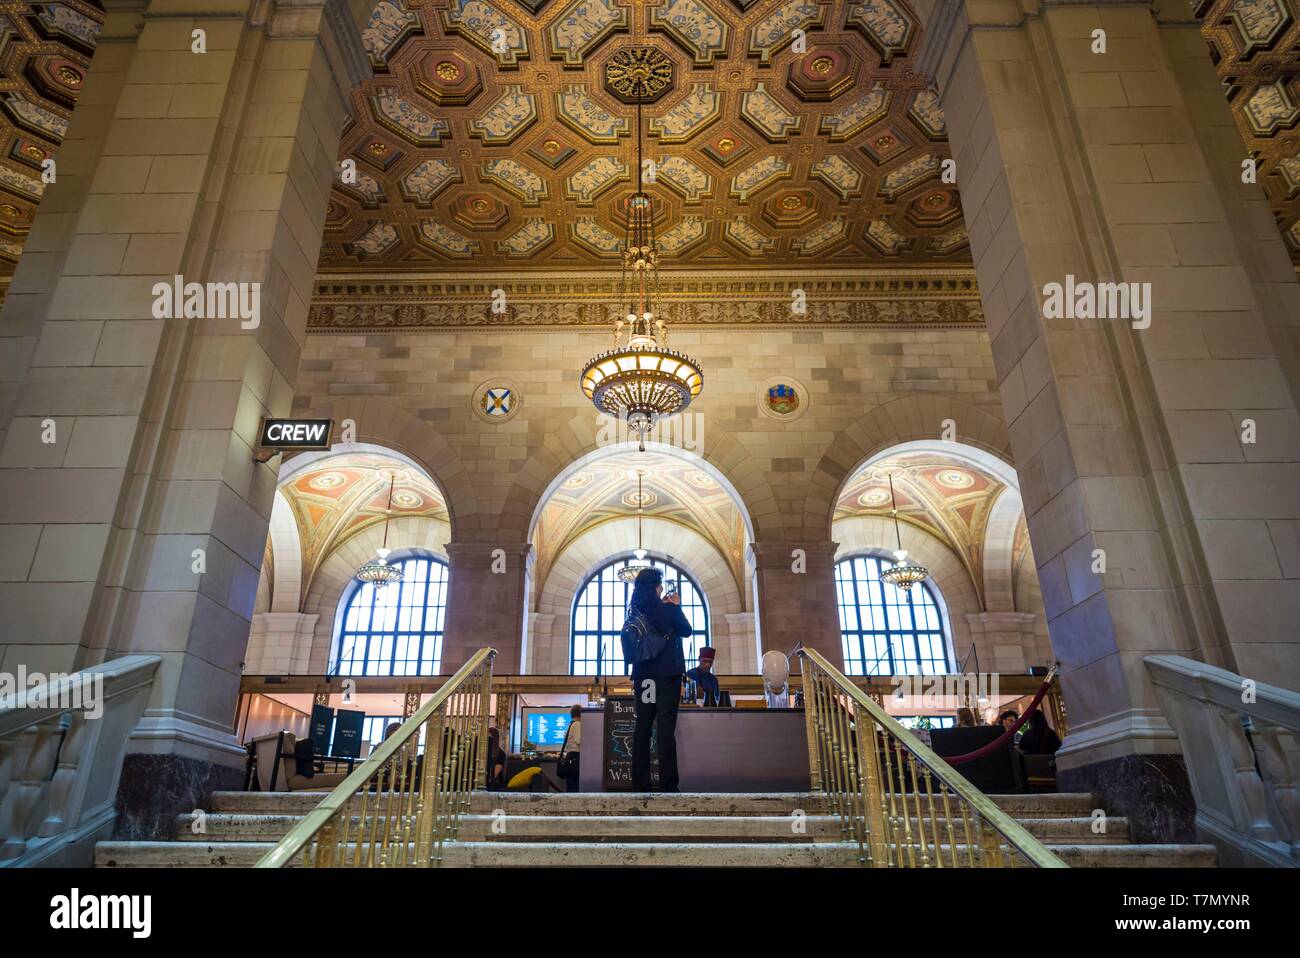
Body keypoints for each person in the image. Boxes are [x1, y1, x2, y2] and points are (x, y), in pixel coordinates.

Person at [626, 567, 693, 792]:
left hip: (644, 677)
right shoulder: (669, 609)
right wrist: (675, 605)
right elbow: (687, 630)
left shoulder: (635, 611)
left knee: (642, 728)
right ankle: (668, 784)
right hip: (667, 677)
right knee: (665, 730)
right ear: (656, 588)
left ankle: (640, 784)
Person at [558, 705, 582, 792]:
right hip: (575, 757)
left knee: (571, 783)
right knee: (575, 784)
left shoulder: (570, 724)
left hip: (570, 757)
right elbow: (579, 741)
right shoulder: (577, 724)